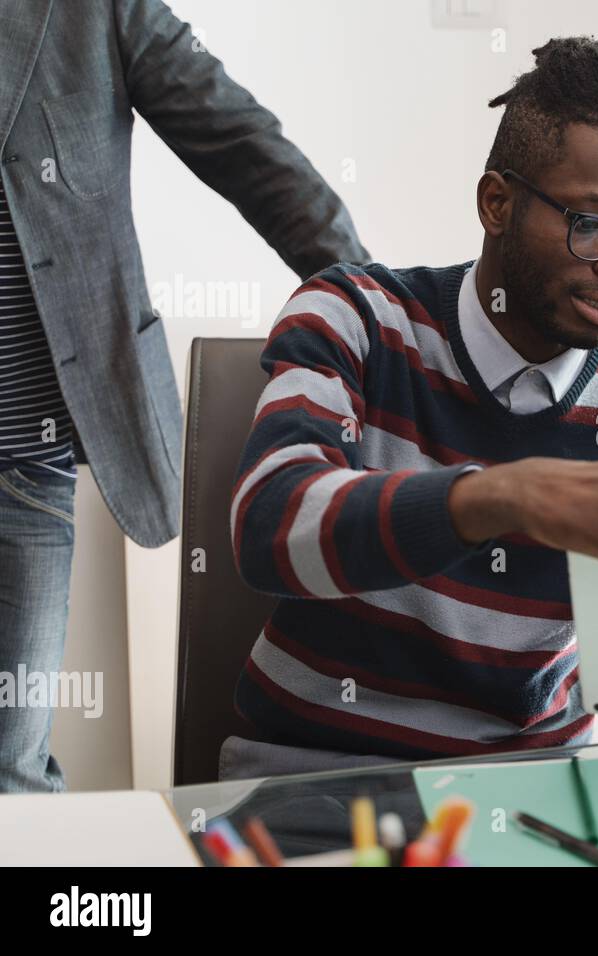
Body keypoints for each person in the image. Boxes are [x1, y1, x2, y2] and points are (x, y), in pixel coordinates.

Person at [224, 38, 598, 779]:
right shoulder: (356, 317)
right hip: (320, 770)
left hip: (543, 781)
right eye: (593, 224)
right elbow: (269, 527)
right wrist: (507, 496)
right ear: (496, 204)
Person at [0, 0, 367, 792]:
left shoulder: (88, 11)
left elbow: (244, 145)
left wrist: (369, 315)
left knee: (9, 766)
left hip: (20, 469)